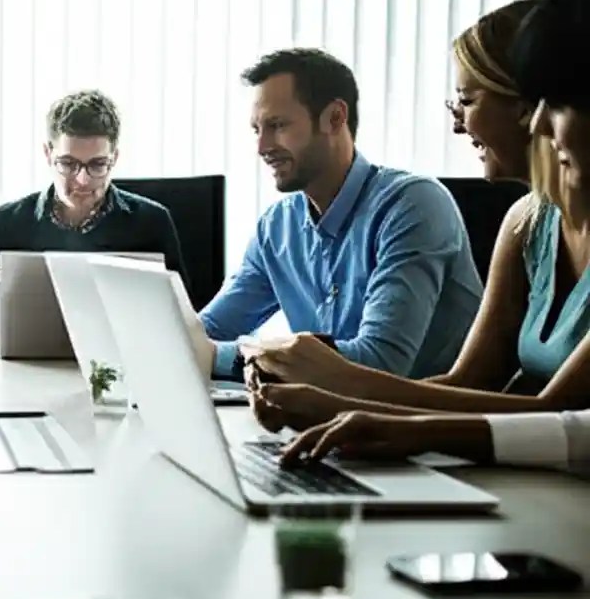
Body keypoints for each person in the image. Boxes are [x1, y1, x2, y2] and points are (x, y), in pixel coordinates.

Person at [276, 0, 590, 475]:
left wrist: (347, 389)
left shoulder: (411, 202)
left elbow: (560, 416)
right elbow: (471, 384)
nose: (457, 125)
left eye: (466, 100)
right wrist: (340, 404)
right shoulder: (527, 223)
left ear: (524, 102)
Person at [195, 48, 482, 381]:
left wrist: (230, 355)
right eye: (257, 130)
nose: (262, 147)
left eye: (277, 125)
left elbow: (379, 363)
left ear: (334, 117)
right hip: (330, 417)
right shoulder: (276, 228)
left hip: (424, 423)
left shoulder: (413, 205)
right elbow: (204, 333)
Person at [0, 89, 188, 286]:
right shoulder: (2, 227)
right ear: (48, 154)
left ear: (114, 159)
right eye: (68, 164)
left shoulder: (152, 224)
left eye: (98, 164)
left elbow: (181, 319)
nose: (82, 180)